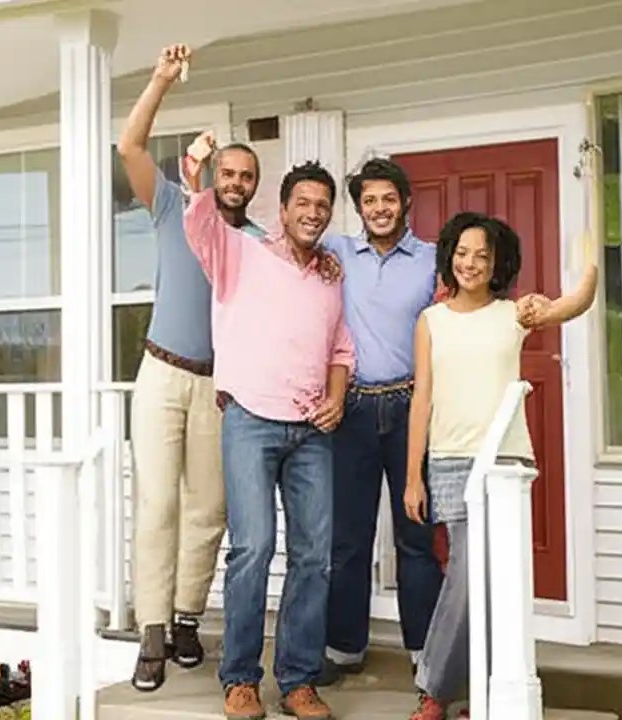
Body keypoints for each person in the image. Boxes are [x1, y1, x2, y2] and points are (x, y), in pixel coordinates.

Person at [402, 212, 597, 720]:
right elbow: (421, 399)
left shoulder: (517, 313)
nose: (470, 263)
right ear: (449, 257)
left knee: (497, 581)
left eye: (482, 255)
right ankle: (436, 689)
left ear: (497, 264)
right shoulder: (431, 321)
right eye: (462, 253)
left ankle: (479, 694)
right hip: (448, 462)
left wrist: (592, 256)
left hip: (505, 464)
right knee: (468, 574)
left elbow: (576, 303)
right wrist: (411, 477)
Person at [116, 42, 266, 693]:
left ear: (252, 187)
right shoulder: (174, 206)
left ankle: (184, 618)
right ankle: (150, 631)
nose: (234, 183)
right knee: (157, 504)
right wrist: (160, 81)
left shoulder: (256, 243)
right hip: (160, 373)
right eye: (227, 173)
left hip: (218, 385)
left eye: (246, 178)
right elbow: (129, 147)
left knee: (211, 507)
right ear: (212, 173)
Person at [182, 156, 354, 720]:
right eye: (302, 203)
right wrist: (198, 177)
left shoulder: (329, 276)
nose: (312, 213)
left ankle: (299, 680)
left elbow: (340, 348)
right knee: (252, 549)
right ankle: (240, 679)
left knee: (313, 556)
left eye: (322, 206)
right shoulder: (240, 253)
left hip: (311, 431)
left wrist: (335, 397)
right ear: (281, 211)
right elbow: (200, 225)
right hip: (250, 421)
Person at [317, 158, 443, 684]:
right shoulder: (337, 252)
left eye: (388, 198)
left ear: (405, 201)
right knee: (348, 538)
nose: (379, 209)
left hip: (412, 408)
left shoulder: (433, 259)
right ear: (358, 207)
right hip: (354, 410)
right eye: (369, 200)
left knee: (415, 537)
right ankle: (345, 647)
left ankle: (425, 651)